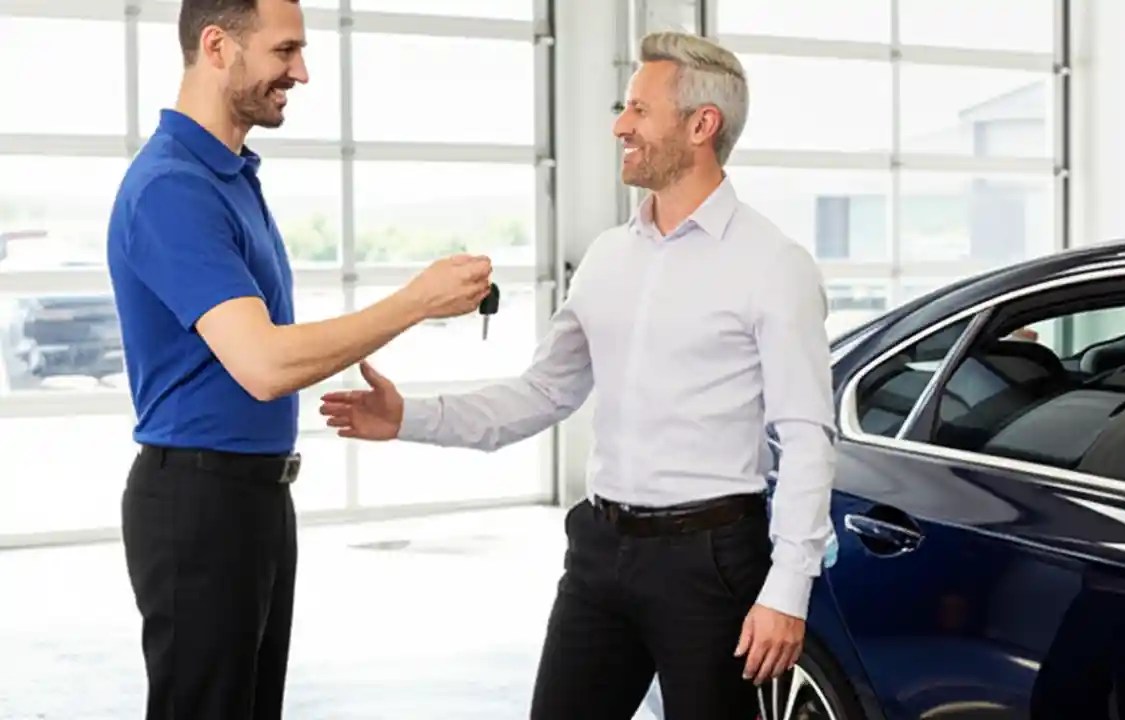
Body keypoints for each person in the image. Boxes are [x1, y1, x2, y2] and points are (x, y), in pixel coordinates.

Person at [320, 30, 835, 719]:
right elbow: (544, 391)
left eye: (639, 111)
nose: (620, 126)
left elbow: (806, 437)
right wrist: (408, 418)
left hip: (710, 563)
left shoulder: (774, 264)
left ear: (701, 125)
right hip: (599, 551)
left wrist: (786, 589)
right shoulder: (608, 257)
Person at [105, 1, 492, 718]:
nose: (302, 72)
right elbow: (263, 364)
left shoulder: (227, 177)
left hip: (247, 499)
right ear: (217, 46)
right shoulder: (173, 190)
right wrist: (416, 301)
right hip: (199, 505)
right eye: (285, 51)